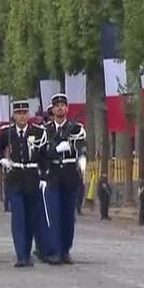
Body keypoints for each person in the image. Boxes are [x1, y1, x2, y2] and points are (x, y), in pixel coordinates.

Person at [0, 99, 46, 267]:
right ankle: (20, 254)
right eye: (19, 113)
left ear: (28, 114)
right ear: (14, 115)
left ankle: (27, 251)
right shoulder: (6, 133)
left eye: (24, 113)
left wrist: (44, 176)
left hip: (32, 177)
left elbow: (44, 155)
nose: (22, 117)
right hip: (14, 177)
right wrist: (2, 160)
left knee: (30, 218)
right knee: (18, 217)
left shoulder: (38, 132)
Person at [39, 93, 87, 265]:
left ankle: (66, 249)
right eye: (56, 105)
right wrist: (55, 151)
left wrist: (81, 161)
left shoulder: (76, 128)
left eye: (63, 105)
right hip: (52, 174)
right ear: (52, 109)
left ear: (67, 108)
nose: (60, 108)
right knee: (54, 214)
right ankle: (56, 250)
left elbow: (81, 147)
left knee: (68, 215)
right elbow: (41, 153)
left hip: (69, 174)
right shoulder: (45, 130)